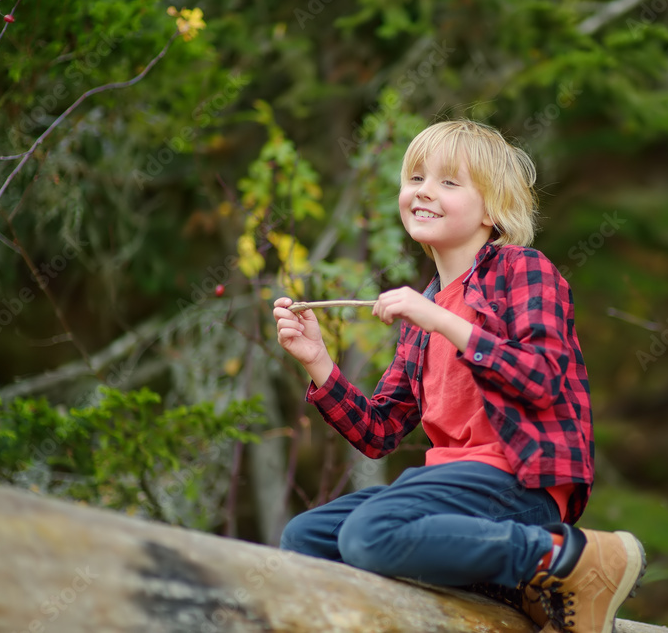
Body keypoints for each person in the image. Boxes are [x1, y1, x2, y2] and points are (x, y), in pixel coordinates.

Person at [272, 119, 645, 633]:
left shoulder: (522, 270)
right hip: (453, 487)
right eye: (416, 178)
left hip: (519, 483)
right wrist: (318, 360)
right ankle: (504, 585)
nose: (424, 191)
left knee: (368, 535)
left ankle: (568, 557)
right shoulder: (425, 309)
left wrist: (441, 321)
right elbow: (379, 433)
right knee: (306, 537)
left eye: (449, 182)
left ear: (492, 209)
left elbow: (542, 377)